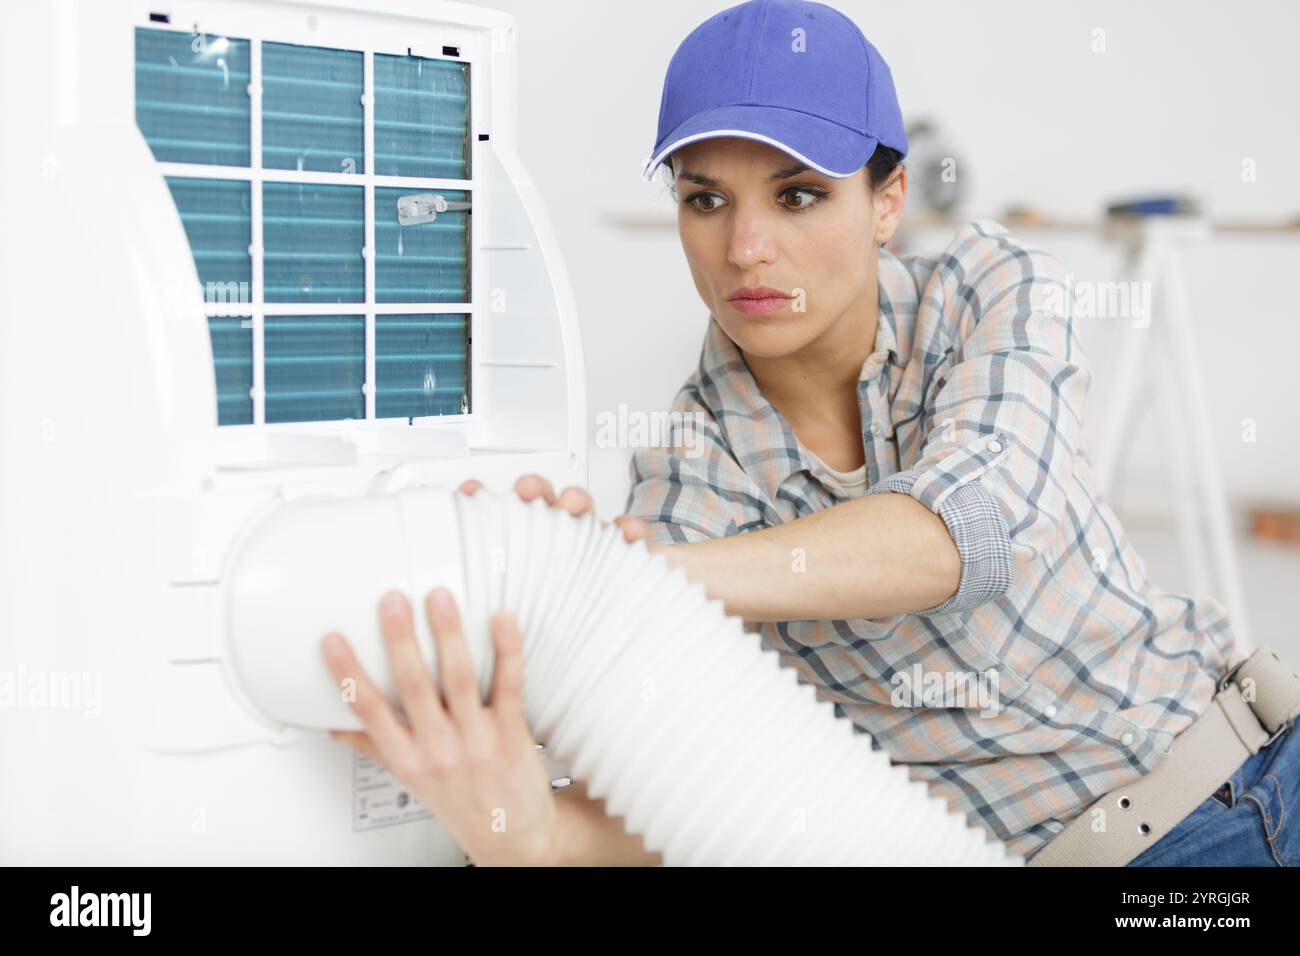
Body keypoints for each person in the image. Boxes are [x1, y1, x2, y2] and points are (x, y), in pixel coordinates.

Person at [320, 0, 1300, 866]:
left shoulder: (993, 290)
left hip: (1256, 794)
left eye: (796, 194)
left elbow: (969, 530)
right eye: (705, 198)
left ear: (886, 200)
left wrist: (621, 581)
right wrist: (531, 832)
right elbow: (721, 805)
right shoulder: (688, 481)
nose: (745, 248)